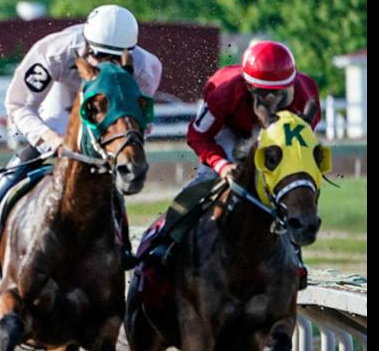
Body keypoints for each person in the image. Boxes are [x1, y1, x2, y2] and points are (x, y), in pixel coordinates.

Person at [0, 4, 161, 262]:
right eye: (100, 57)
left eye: (115, 60)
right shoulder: (55, 51)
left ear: (129, 55)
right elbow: (18, 104)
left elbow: (140, 120)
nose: (105, 67)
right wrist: (53, 140)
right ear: (87, 46)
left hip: (106, 115)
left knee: (110, 173)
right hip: (62, 104)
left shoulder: (147, 70)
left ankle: (121, 242)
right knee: (39, 147)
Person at [138, 39, 322, 265]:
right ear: (248, 86)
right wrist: (222, 165)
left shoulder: (307, 96)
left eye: (281, 93)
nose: (274, 101)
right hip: (229, 129)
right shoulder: (224, 90)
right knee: (207, 178)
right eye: (265, 94)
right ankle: (169, 239)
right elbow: (198, 136)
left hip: (275, 134)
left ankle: (294, 252)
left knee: (290, 183)